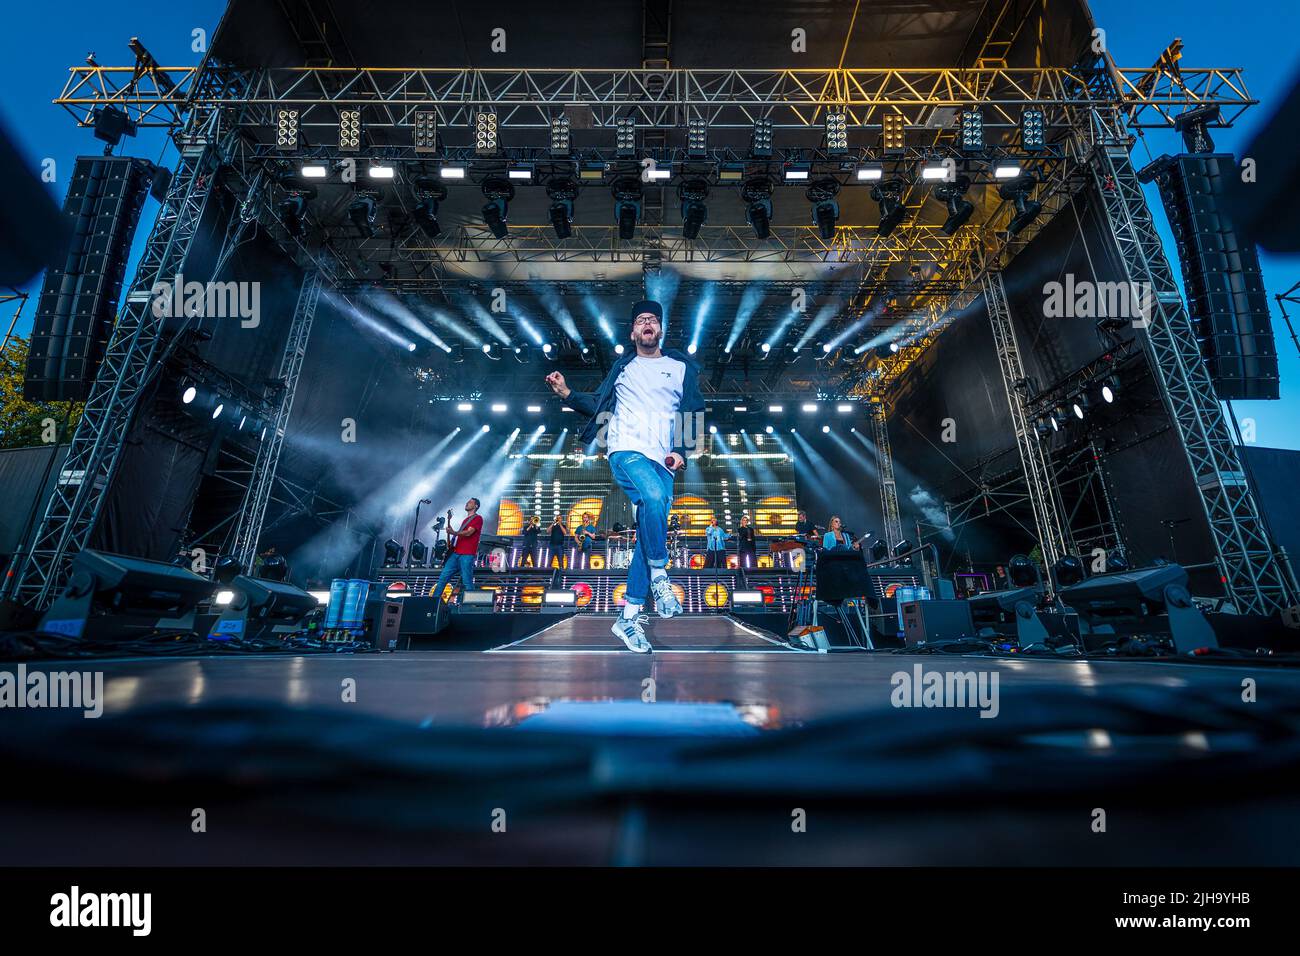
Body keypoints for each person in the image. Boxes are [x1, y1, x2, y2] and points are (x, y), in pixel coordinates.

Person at [544, 298, 705, 653]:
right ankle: (661, 576)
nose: (647, 323)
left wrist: (681, 452)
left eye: (653, 319)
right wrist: (568, 393)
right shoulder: (624, 367)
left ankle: (628, 618)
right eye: (641, 320)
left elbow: (694, 410)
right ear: (633, 331)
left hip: (663, 460)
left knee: (651, 525)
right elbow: (599, 404)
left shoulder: (680, 367)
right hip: (626, 449)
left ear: (660, 329)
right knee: (651, 498)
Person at [431, 498, 482, 604]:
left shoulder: (478, 518)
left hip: (467, 554)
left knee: (467, 582)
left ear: (476, 506)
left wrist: (454, 532)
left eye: (470, 502)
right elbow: (459, 535)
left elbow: (469, 533)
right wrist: (452, 533)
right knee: (442, 579)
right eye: (467, 502)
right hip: (456, 553)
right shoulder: (464, 521)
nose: (467, 503)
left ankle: (470, 606)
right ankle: (433, 604)